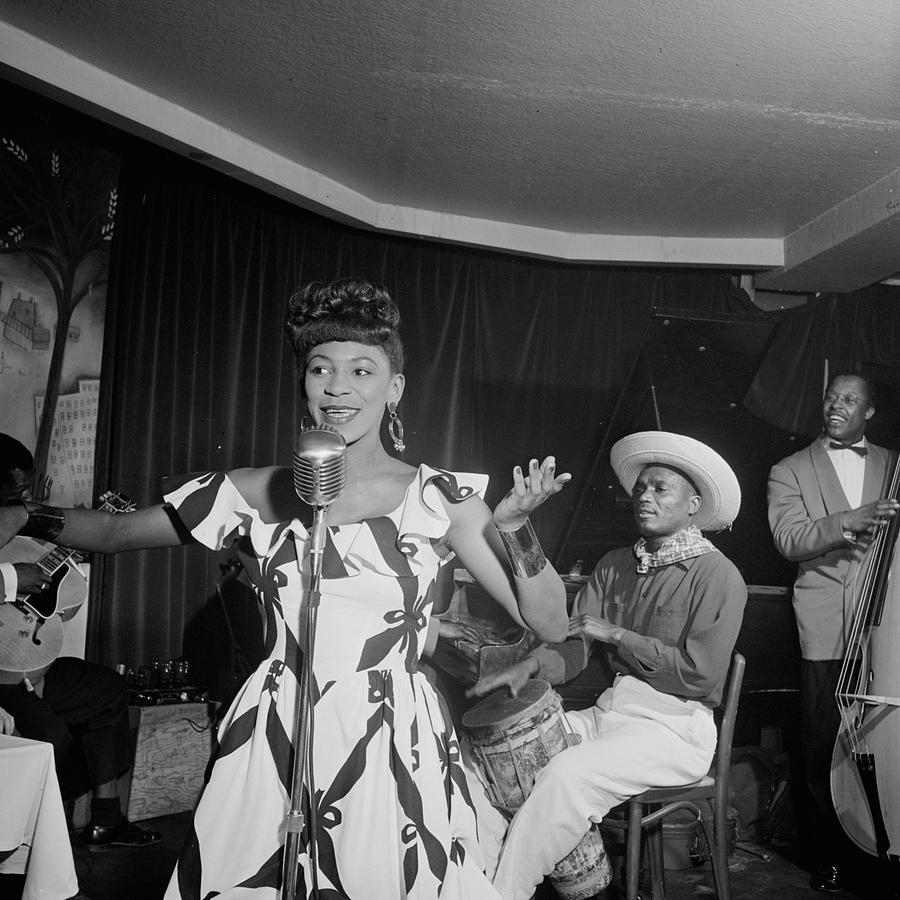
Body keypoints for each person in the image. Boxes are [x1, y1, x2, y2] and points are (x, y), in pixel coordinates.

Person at [0, 278, 571, 900]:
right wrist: (25, 513)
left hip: (387, 730)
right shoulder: (255, 491)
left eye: (362, 370)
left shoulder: (439, 499)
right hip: (277, 722)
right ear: (304, 384)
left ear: (395, 389)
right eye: (321, 368)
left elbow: (550, 625)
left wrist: (513, 529)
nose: (337, 385)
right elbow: (113, 533)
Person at [469, 431, 747, 900]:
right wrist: (531, 666)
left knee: (565, 775)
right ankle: (471, 883)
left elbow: (701, 674)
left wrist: (619, 635)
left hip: (676, 730)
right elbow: (576, 646)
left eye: (661, 488)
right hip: (611, 715)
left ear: (694, 504)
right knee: (497, 763)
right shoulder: (615, 564)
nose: (645, 496)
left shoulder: (718, 574)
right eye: (641, 487)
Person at [767, 371, 898, 894]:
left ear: (869, 412)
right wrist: (851, 519)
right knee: (822, 742)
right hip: (825, 622)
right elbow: (789, 538)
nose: (836, 405)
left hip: (888, 625)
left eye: (850, 399)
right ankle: (828, 855)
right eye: (831, 397)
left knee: (887, 737)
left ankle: (882, 843)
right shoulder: (789, 469)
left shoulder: (893, 465)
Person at [0, 434, 162, 851]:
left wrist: (52, 591)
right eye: (13, 491)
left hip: (29, 662)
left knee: (107, 690)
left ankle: (107, 820)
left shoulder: (19, 524)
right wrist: (12, 579)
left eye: (24, 491)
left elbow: (64, 605)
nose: (22, 499)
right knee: (53, 739)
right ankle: (35, 845)